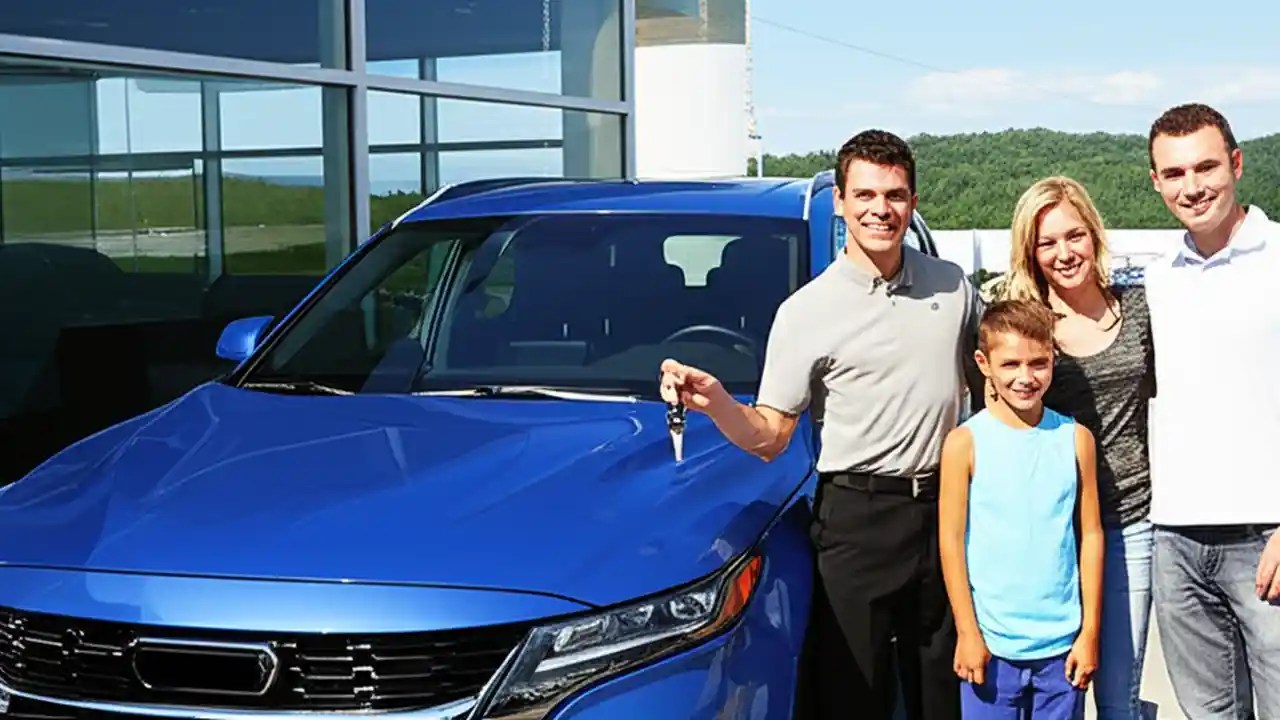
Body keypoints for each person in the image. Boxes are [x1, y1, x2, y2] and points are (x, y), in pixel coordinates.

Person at [659, 129, 983, 720]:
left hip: (944, 516)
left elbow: (998, 382)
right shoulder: (806, 311)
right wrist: (715, 401)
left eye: (894, 195)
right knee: (849, 695)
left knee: (943, 695)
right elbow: (770, 437)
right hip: (857, 520)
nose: (880, 209)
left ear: (912, 201)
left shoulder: (954, 288)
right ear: (840, 199)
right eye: (865, 195)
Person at [999, 176, 1156, 720]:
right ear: (1030, 252)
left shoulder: (1139, 311)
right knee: (1048, 697)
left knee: (1118, 697)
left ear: (1094, 234)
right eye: (1047, 243)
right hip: (1047, 537)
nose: (1064, 253)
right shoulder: (1024, 331)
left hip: (1130, 524)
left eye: (1075, 236)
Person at [1142, 102, 1280, 718]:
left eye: (1206, 167)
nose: (1192, 187)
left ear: (1238, 163)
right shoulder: (1158, 277)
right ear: (1155, 181)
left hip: (1266, 541)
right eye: (1174, 174)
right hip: (1175, 541)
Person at [938, 299, 1104, 720]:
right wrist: (967, 632)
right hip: (991, 649)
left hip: (1061, 650)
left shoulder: (1075, 439)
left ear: (1054, 360)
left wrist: (1089, 633)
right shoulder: (964, 443)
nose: (1025, 377)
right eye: (1010, 364)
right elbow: (951, 541)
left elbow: (1091, 535)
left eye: (1039, 363)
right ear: (984, 363)